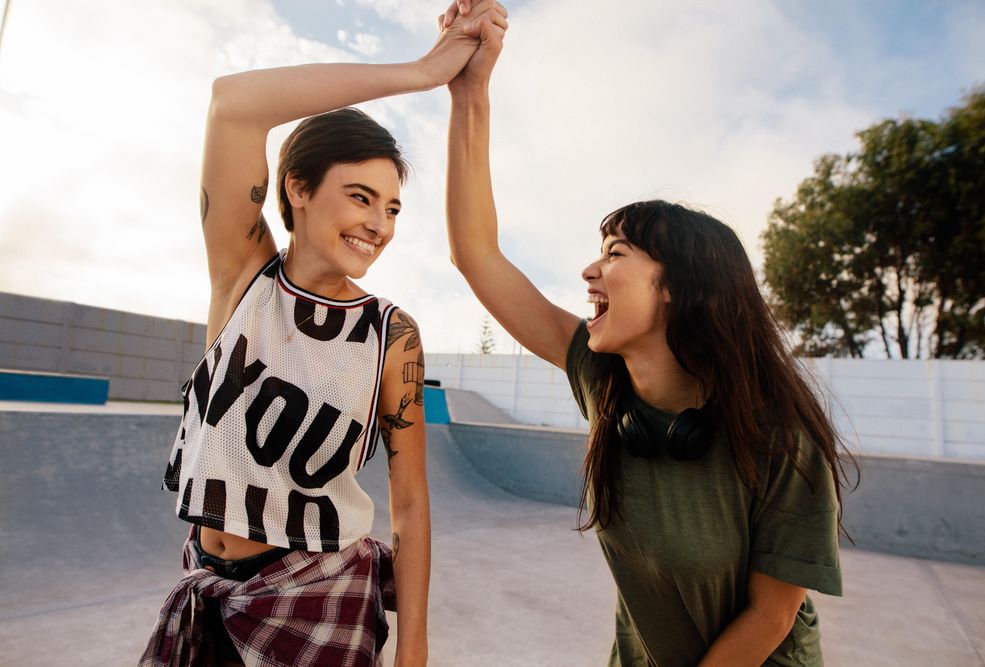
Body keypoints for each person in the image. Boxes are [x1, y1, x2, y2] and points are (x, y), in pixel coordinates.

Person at [440, 2, 852, 664]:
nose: (590, 269)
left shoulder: (779, 430)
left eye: (616, 253)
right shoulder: (606, 381)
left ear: (677, 288)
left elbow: (772, 613)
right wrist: (471, 88)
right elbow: (476, 255)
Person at [139, 5, 508, 666]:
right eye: (361, 196)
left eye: (391, 206)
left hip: (322, 599)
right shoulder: (242, 275)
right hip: (206, 586)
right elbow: (233, 103)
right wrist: (422, 72)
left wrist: (413, 648)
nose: (380, 224)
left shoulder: (390, 334)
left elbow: (413, 502)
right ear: (298, 188)